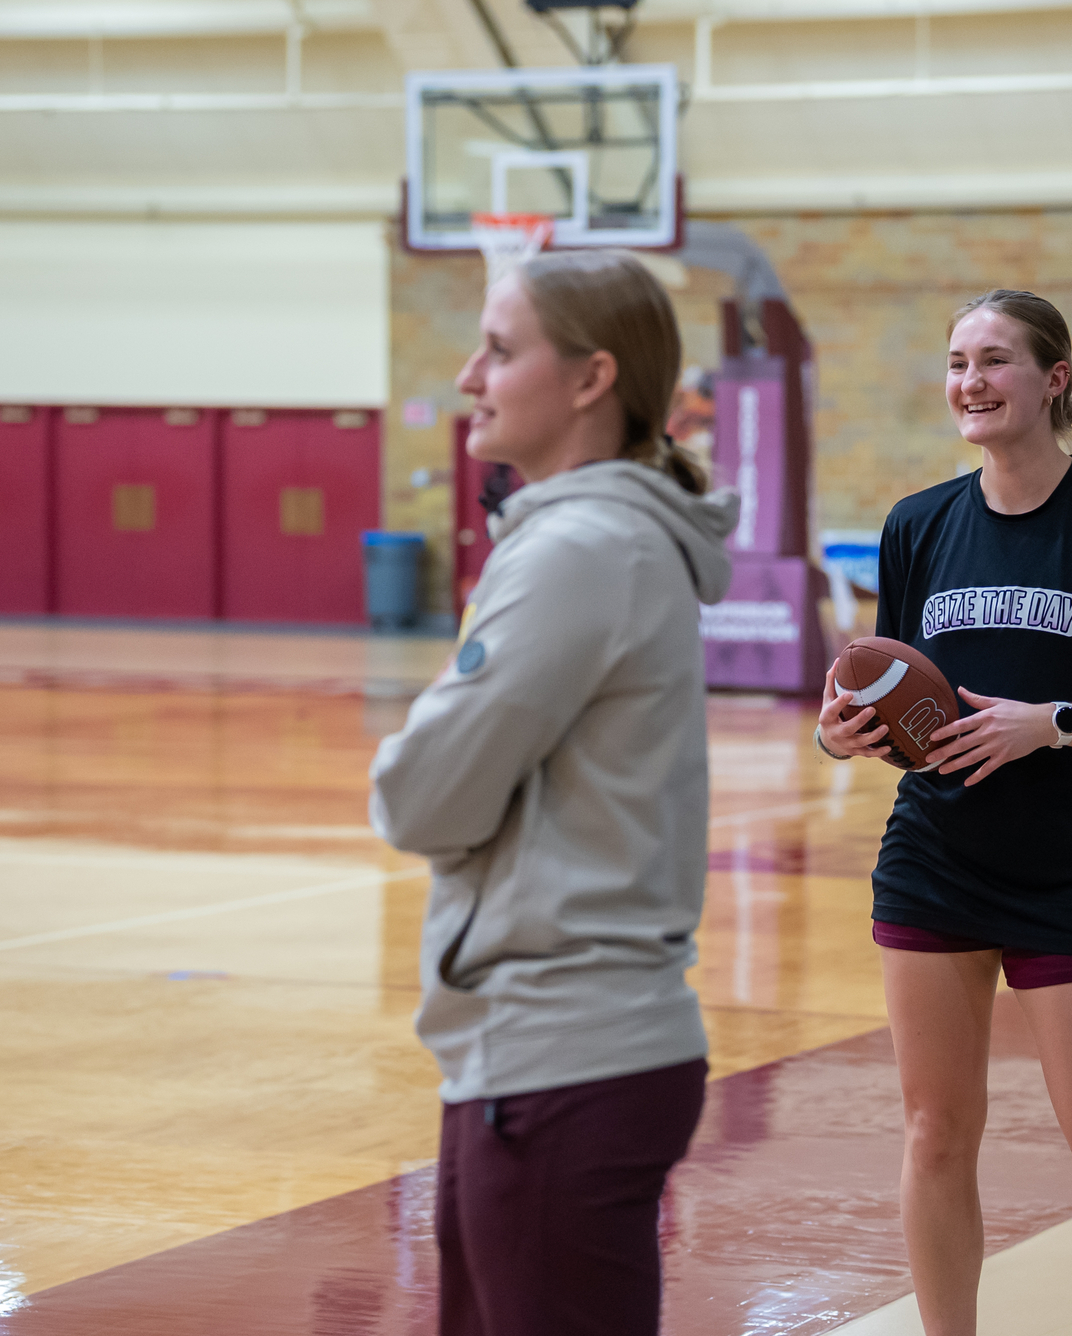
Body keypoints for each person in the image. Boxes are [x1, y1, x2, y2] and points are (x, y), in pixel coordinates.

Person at [815, 289, 1072, 1335]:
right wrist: (841, 733)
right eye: (956, 361)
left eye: (994, 359)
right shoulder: (917, 525)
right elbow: (898, 693)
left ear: (1054, 379)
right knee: (932, 1132)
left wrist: (1054, 723)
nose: (970, 381)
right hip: (934, 857)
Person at [369, 251, 737, 1336]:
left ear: (589, 380)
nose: (469, 372)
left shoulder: (580, 549)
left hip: (563, 1055)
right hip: (539, 1052)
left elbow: (418, 799)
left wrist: (423, 750)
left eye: (498, 346)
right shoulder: (594, 539)